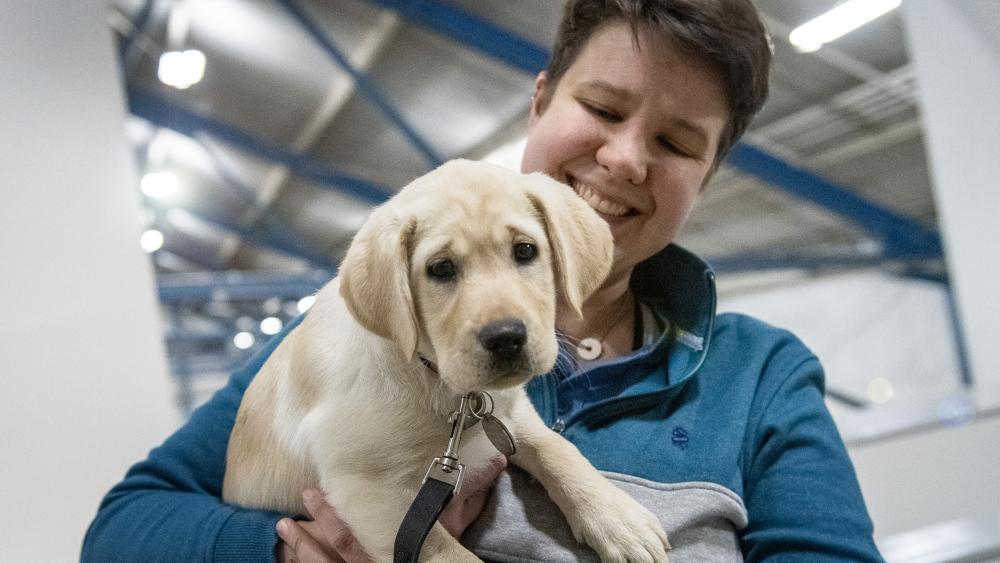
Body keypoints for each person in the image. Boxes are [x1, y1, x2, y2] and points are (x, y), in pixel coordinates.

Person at [83, 0, 884, 561]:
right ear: (541, 101)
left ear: (707, 175)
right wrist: (287, 550)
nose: (624, 159)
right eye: (604, 109)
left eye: (677, 142)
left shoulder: (764, 377)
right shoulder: (339, 345)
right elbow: (122, 528)